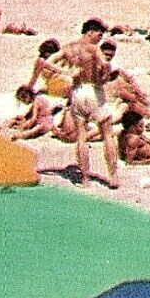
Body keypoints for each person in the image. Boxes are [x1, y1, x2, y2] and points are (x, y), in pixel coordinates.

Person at [55, 19, 122, 189]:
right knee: (107, 132)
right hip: (93, 89)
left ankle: (85, 179)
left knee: (82, 136)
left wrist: (67, 72)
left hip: (77, 91)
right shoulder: (93, 49)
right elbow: (105, 65)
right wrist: (105, 77)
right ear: (90, 31)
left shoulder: (69, 48)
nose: (100, 38)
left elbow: (45, 62)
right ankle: (112, 176)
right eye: (99, 34)